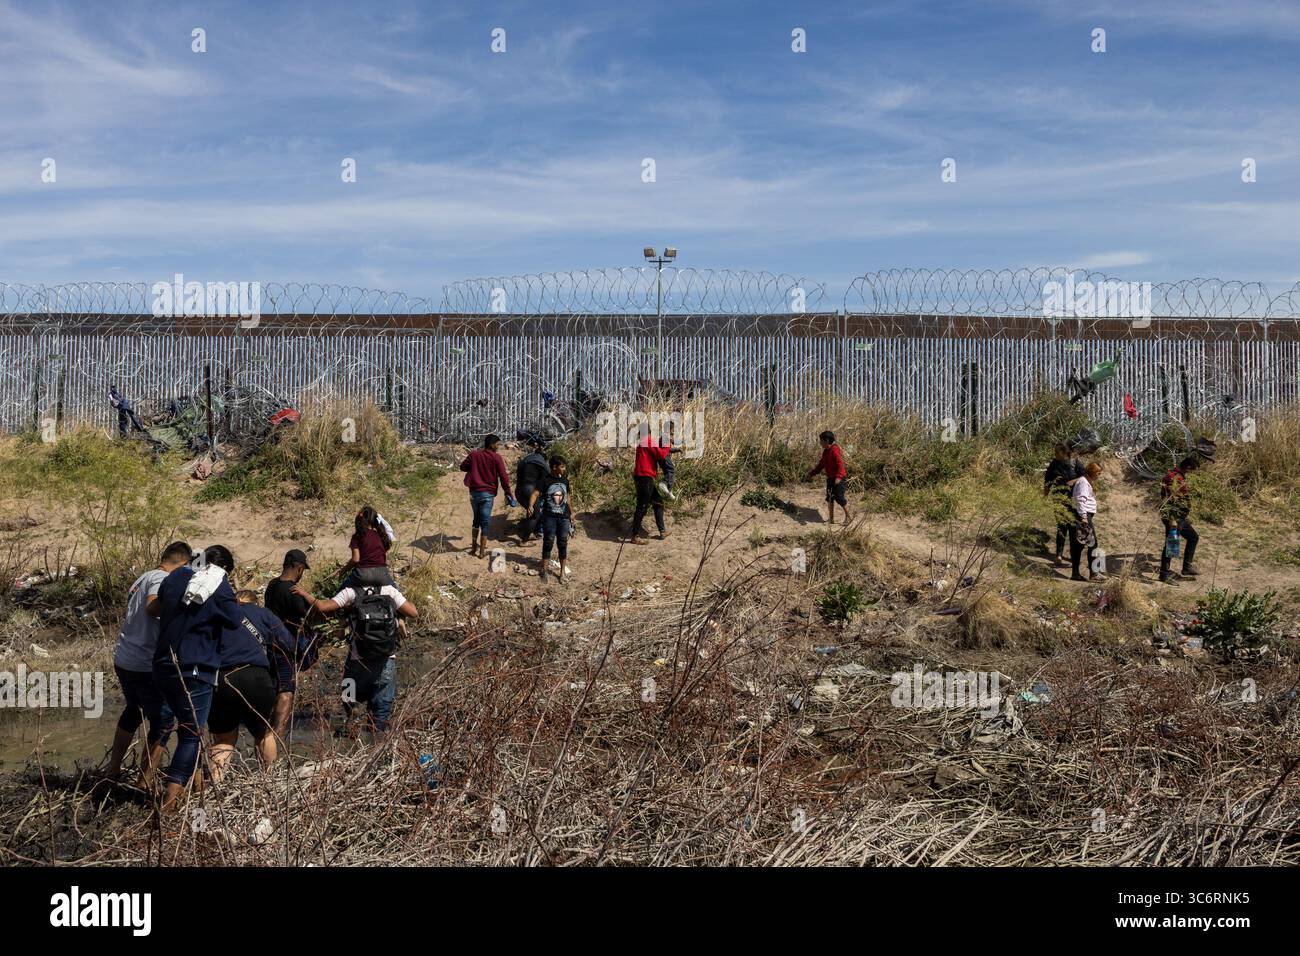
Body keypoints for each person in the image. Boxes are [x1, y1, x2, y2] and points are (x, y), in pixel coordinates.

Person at [148, 544, 241, 810]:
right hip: (195, 666)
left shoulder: (176, 575)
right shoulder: (217, 581)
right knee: (192, 733)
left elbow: (162, 604)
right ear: (223, 568)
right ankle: (171, 802)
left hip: (163, 664)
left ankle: (197, 787)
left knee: (181, 727)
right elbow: (234, 619)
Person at [105, 541, 190, 785]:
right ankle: (146, 780)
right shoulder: (161, 578)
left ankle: (113, 770)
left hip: (125, 658)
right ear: (182, 564)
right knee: (164, 721)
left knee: (133, 711)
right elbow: (152, 606)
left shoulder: (140, 578)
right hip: (144, 662)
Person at [297, 579, 419, 734]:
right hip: (386, 661)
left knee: (348, 696)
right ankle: (375, 747)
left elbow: (323, 607)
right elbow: (414, 612)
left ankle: (352, 726)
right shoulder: (389, 590)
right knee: (380, 715)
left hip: (356, 662)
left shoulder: (350, 591)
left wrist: (305, 593)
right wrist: (401, 617)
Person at [208, 591, 282, 783]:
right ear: (254, 603)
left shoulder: (218, 614)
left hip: (222, 678)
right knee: (264, 733)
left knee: (223, 740)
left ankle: (214, 787)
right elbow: (288, 642)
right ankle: (270, 784)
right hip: (256, 676)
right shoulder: (263, 613)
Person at [264, 549, 321, 737]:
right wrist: (307, 597)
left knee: (274, 688)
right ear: (299, 568)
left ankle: (267, 732)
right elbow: (309, 617)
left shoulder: (272, 587)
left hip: (269, 646)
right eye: (302, 570)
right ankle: (276, 736)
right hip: (285, 649)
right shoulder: (292, 592)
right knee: (286, 691)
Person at [460, 434, 516, 558]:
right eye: (498, 444)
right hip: (488, 494)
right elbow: (504, 478)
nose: (499, 447)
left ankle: (474, 548)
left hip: (474, 493)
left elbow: (462, 467)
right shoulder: (496, 458)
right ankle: (482, 552)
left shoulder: (474, 455)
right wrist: (509, 493)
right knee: (485, 522)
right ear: (492, 445)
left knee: (476, 519)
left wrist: (474, 468)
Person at [1159, 455, 1202, 583]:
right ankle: (1164, 575)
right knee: (1171, 544)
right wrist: (1172, 519)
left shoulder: (1176, 474)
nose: (1192, 473)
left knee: (1192, 537)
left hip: (1178, 517)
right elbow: (1170, 500)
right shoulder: (1175, 478)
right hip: (1173, 517)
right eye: (1192, 470)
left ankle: (1186, 567)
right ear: (1188, 467)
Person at [631, 423, 676, 543]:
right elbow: (661, 455)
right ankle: (635, 536)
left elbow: (655, 454)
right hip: (646, 478)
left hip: (641, 478)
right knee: (642, 507)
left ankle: (662, 531)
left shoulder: (642, 442)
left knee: (658, 502)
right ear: (650, 431)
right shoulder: (648, 440)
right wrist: (667, 443)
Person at [1043, 443, 1084, 565]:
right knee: (1061, 526)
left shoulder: (1075, 463)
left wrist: (1074, 481)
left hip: (1074, 499)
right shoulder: (1053, 464)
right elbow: (1047, 481)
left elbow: (1084, 477)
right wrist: (1045, 495)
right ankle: (1059, 555)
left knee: (1073, 527)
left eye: (1057, 452)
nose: (1055, 454)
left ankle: (1073, 555)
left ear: (1065, 453)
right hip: (1059, 499)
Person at [539, 455, 575, 583]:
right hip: (550, 517)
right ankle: (544, 570)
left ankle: (562, 573)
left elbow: (568, 497)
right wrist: (531, 506)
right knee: (548, 542)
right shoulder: (545, 480)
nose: (564, 469)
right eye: (562, 466)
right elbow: (536, 493)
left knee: (563, 543)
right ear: (554, 467)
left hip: (564, 517)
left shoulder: (565, 481)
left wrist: (571, 512)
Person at [806, 430, 852, 524]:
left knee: (840, 498)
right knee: (830, 498)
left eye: (821, 441)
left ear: (826, 440)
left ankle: (848, 517)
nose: (820, 443)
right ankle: (831, 519)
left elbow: (840, 465)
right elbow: (821, 465)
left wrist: (838, 477)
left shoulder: (835, 450)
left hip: (839, 479)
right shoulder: (826, 452)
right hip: (831, 479)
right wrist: (811, 473)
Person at [342, 506, 394, 587]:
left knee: (341, 591)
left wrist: (343, 571)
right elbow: (384, 555)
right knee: (396, 592)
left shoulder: (357, 536)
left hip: (363, 575)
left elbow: (355, 559)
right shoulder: (382, 536)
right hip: (382, 575)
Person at [1069, 462, 1103, 582]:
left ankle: (1075, 573)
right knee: (1093, 545)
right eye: (1098, 473)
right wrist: (1084, 518)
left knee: (1078, 545)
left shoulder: (1086, 482)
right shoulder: (1083, 482)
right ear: (1093, 472)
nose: (1099, 475)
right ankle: (1094, 573)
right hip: (1083, 516)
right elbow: (1080, 500)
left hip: (1083, 516)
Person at [515, 440, 549, 542]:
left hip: (519, 491)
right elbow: (546, 483)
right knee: (535, 515)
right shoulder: (543, 465)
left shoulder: (526, 460)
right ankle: (525, 539)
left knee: (531, 512)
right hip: (530, 490)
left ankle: (530, 529)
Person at [657, 420, 679, 502]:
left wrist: (676, 449)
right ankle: (663, 483)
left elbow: (667, 448)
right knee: (672, 470)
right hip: (665, 457)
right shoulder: (665, 436)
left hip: (663, 457)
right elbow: (665, 449)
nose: (673, 431)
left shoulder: (665, 436)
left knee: (668, 473)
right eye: (673, 429)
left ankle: (669, 491)